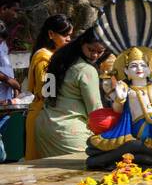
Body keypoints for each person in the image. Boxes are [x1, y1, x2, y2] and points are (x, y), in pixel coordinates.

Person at [34, 29, 108, 157]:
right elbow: (95, 111)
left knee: (52, 176)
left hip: (44, 126)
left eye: (100, 52)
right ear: (81, 44)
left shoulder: (58, 60)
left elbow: (48, 95)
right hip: (69, 133)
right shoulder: (86, 70)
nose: (95, 55)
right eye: (91, 50)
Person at [23, 14, 73, 159]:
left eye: (70, 35)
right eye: (65, 35)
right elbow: (48, 90)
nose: (69, 39)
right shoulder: (45, 59)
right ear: (51, 34)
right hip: (41, 115)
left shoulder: (53, 56)